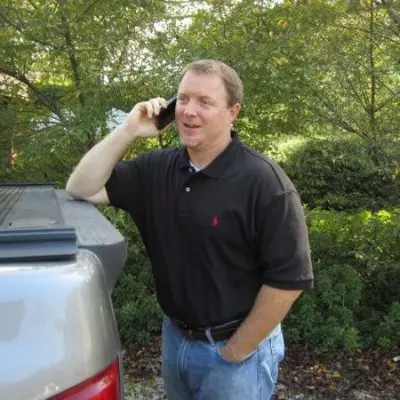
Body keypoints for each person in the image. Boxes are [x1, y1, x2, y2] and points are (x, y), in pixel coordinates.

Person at [66, 59, 313, 400]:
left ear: (232, 112)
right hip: (176, 340)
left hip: (234, 354)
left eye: (205, 102)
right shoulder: (156, 169)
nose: (188, 111)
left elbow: (287, 280)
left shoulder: (264, 183)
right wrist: (128, 131)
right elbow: (81, 187)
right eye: (182, 99)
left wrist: (236, 351)